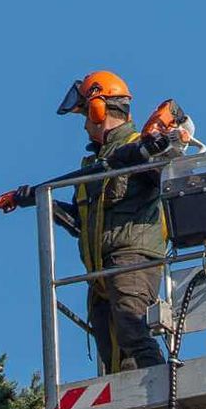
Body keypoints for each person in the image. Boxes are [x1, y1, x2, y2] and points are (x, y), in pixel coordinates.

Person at [51, 70, 190, 374]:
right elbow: (81, 220)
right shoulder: (95, 164)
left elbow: (166, 173)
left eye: (86, 114)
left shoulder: (140, 144)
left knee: (133, 330)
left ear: (99, 109)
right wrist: (42, 203)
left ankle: (163, 394)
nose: (86, 124)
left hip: (131, 258)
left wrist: (150, 150)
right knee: (110, 352)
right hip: (99, 269)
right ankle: (138, 406)